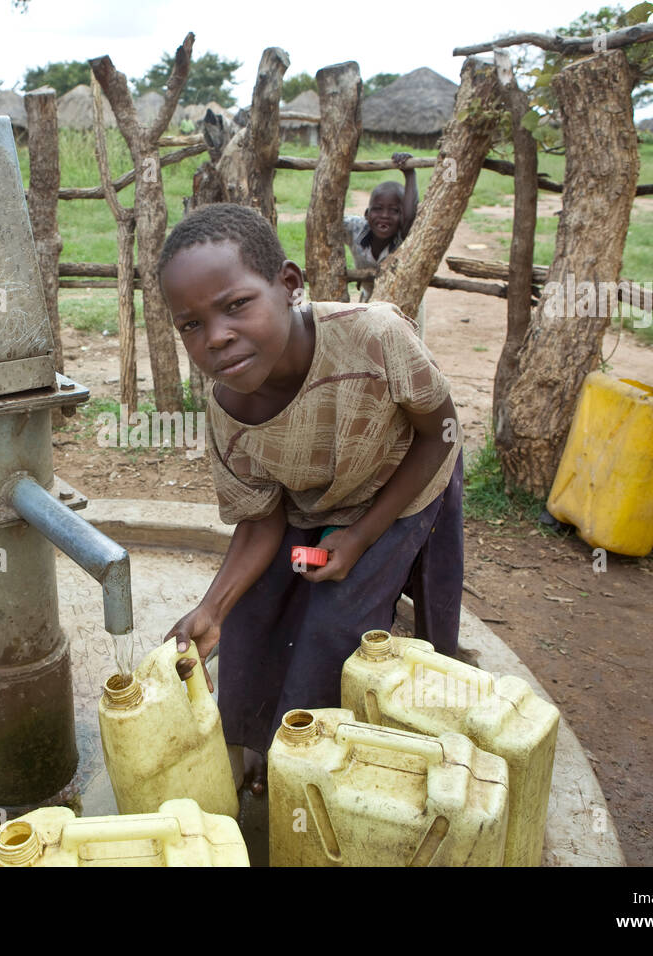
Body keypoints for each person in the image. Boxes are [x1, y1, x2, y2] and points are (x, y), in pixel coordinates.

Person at [159, 203, 464, 795]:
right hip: (315, 504)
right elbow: (259, 525)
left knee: (334, 627)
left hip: (403, 484)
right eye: (191, 325)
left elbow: (440, 434)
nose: (217, 336)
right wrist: (213, 608)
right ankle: (253, 744)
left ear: (289, 285)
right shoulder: (229, 413)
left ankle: (310, 763)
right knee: (253, 614)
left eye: (236, 305)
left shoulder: (373, 336)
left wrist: (360, 537)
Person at [343, 151, 426, 335]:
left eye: (395, 210)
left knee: (405, 354)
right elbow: (328, 219)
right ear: (366, 213)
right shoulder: (355, 228)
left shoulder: (405, 238)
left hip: (404, 305)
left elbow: (411, 217)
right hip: (369, 299)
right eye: (377, 209)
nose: (385, 216)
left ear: (403, 216)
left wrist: (410, 173)